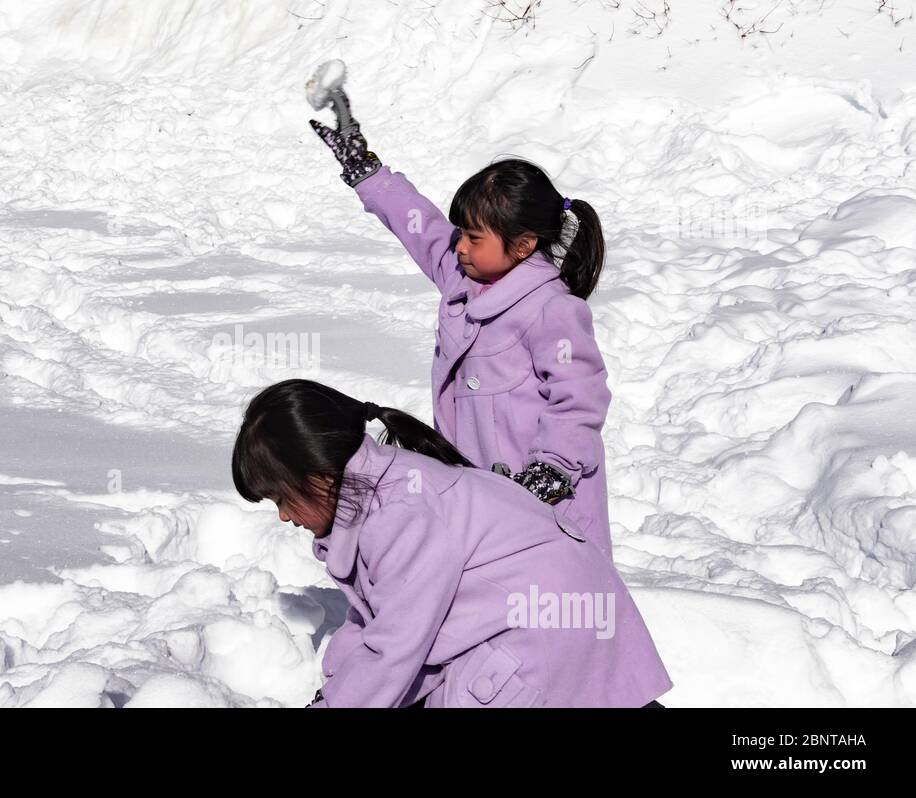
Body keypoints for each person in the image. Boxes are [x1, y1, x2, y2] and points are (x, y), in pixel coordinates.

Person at [231, 379, 672, 708]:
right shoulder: (380, 490)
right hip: (552, 625)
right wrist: (333, 693)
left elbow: (395, 648)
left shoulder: (401, 514)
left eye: (283, 498)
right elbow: (376, 622)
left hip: (547, 638)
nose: (284, 516)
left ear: (321, 476)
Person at [310, 88, 616, 556]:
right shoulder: (461, 274)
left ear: (523, 245)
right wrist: (365, 170)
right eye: (461, 235)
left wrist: (547, 475)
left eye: (474, 237)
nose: (460, 247)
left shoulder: (551, 309)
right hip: (477, 498)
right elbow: (418, 223)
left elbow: (580, 399)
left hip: (548, 506)